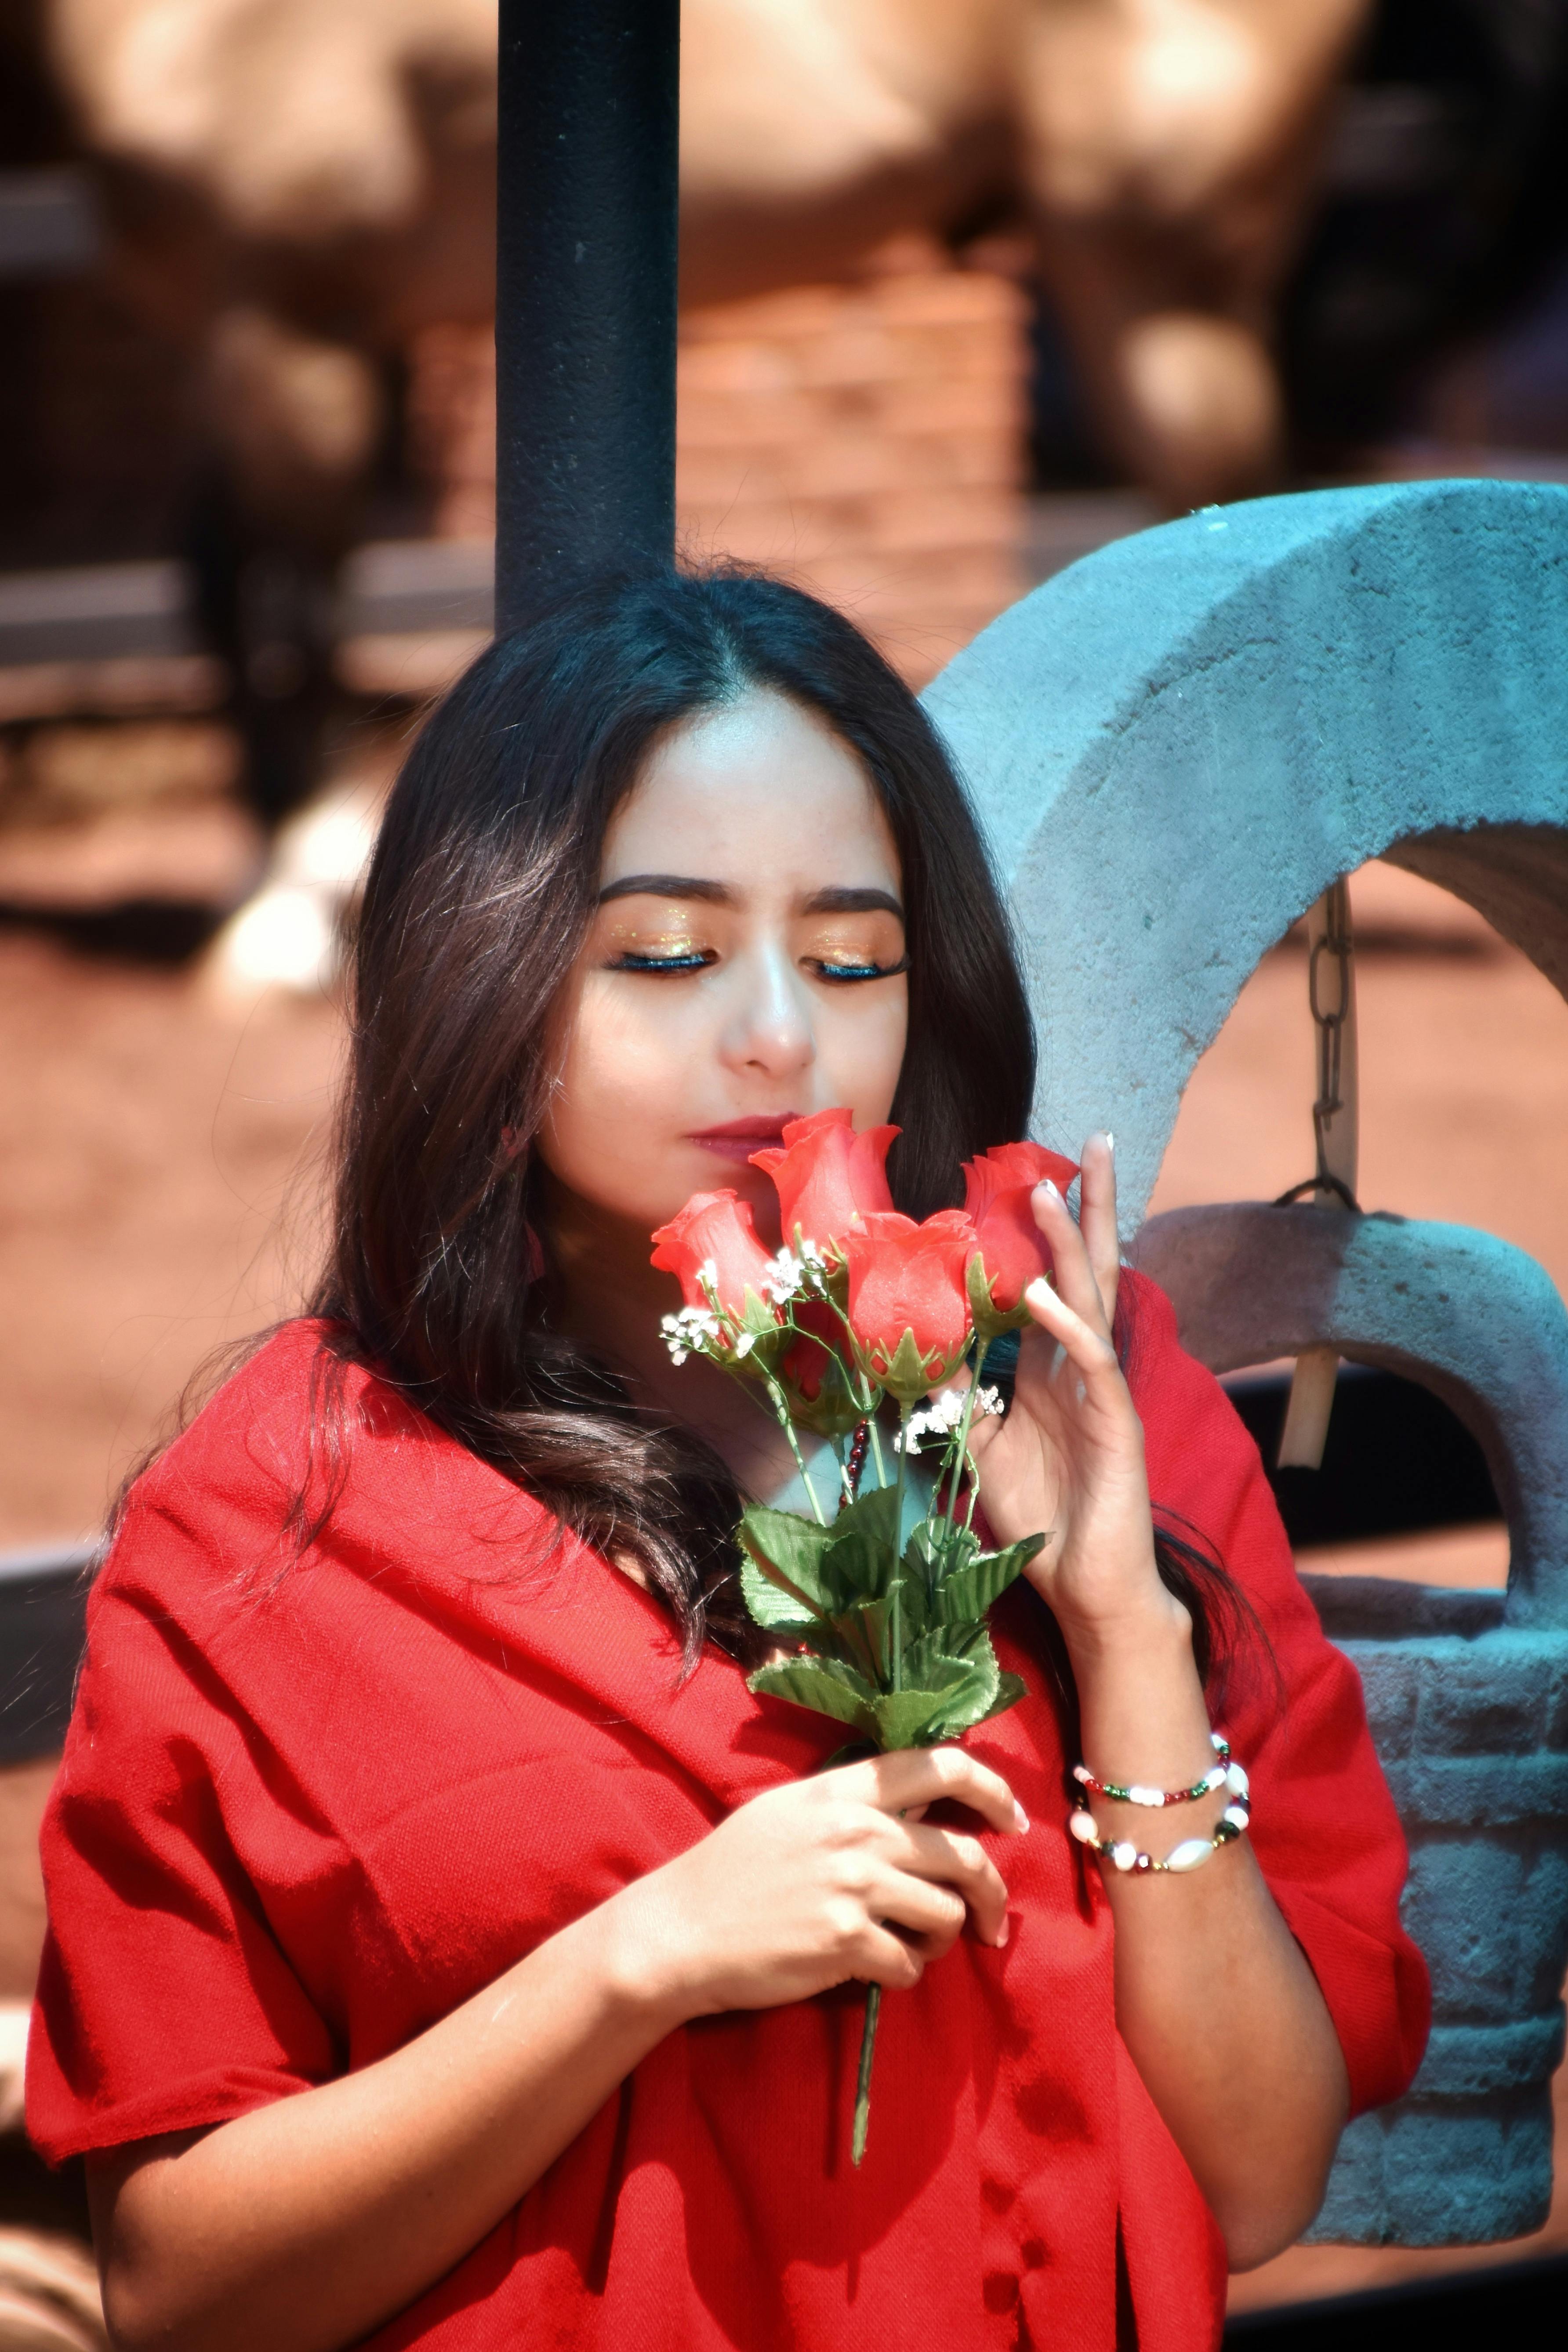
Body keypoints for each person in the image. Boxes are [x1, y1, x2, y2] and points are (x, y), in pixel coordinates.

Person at [26, 570, 1428, 2352]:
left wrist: (1122, 1629)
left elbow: (1257, 2180)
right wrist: (640, 1963)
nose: (777, 1029)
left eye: (853, 958)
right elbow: (177, 2291)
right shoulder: (276, 1520)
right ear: (487, 971)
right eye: (668, 952)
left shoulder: (1082, 1388)